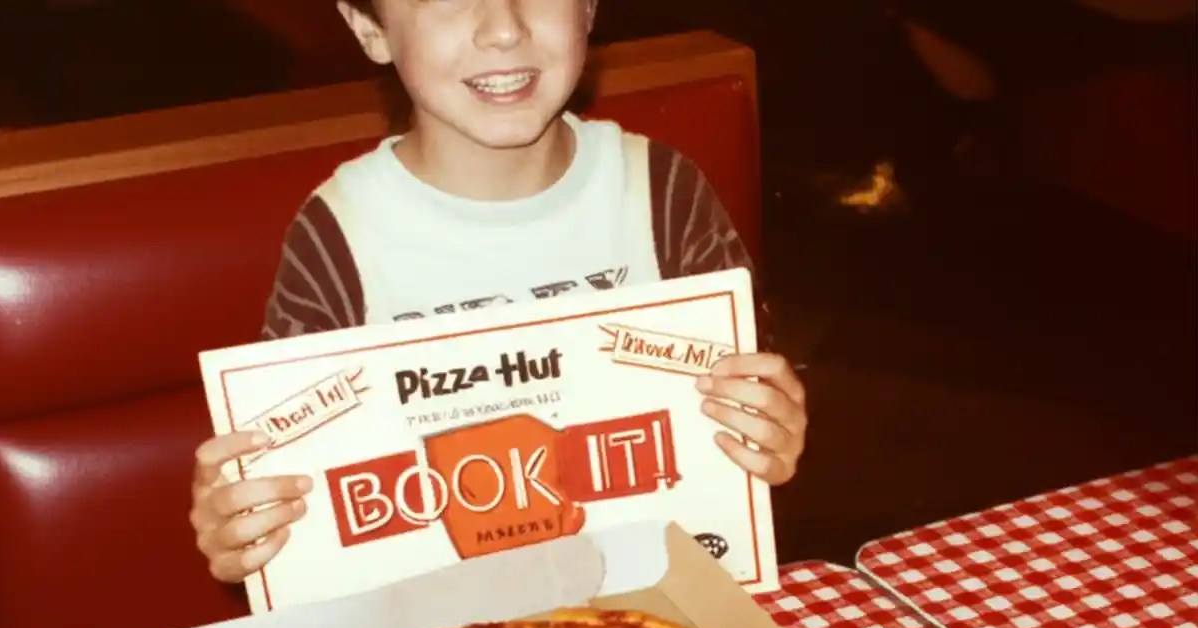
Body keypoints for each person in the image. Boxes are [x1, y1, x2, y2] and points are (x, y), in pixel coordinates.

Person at [190, 0, 808, 583]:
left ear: (588, 7)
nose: (504, 29)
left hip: (653, 612)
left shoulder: (663, 192)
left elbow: (749, 411)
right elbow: (284, 472)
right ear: (368, 27)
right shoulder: (337, 236)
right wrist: (245, 521)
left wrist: (771, 434)